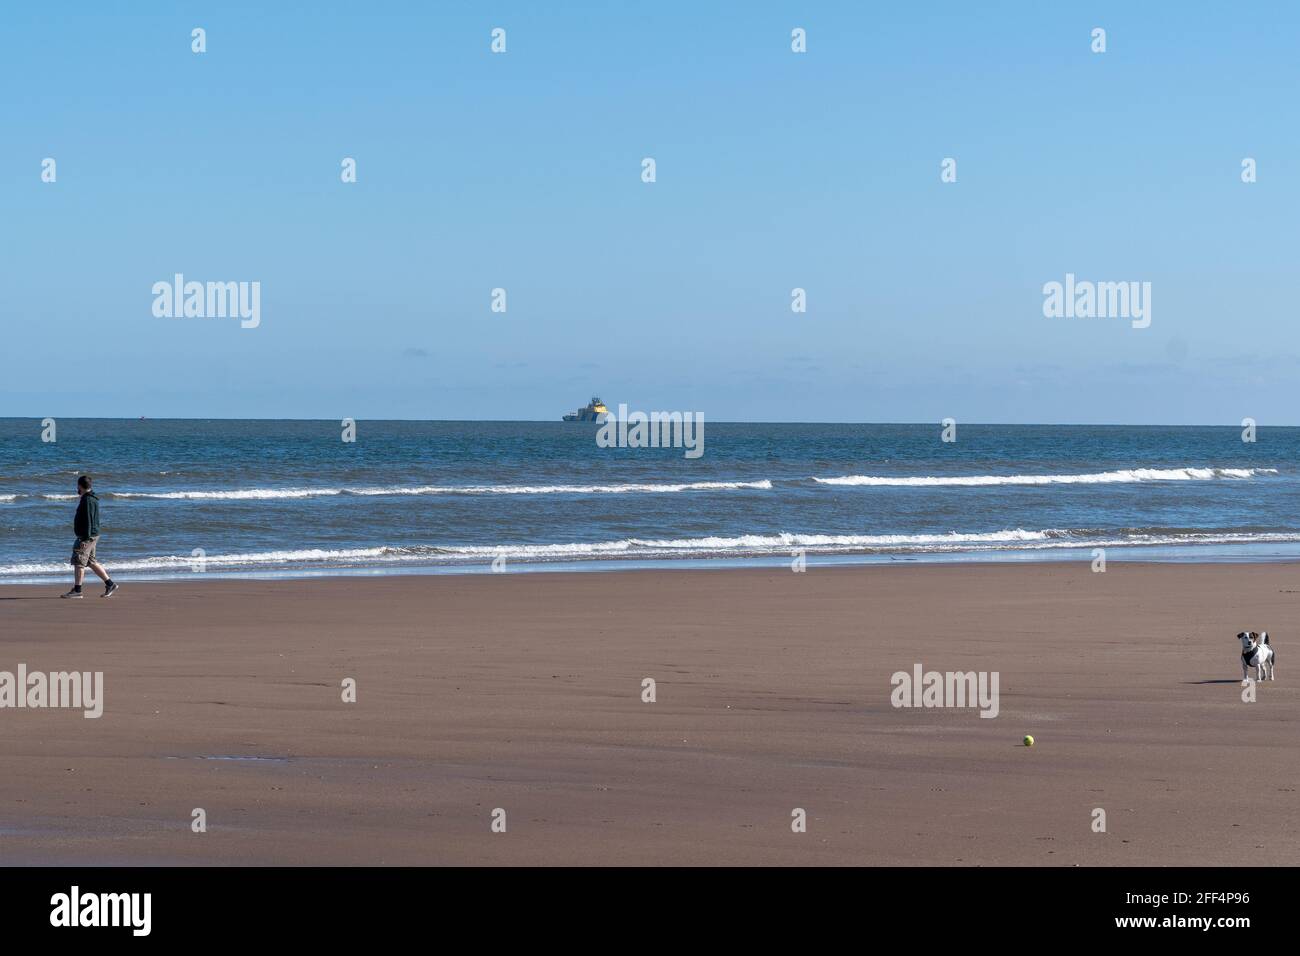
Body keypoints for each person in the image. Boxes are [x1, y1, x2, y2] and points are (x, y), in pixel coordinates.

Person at [61, 475, 119, 599]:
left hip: (87, 536)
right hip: (93, 534)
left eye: (77, 485)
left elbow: (88, 520)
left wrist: (84, 538)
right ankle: (110, 584)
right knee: (90, 561)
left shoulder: (87, 500)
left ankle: (78, 591)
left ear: (80, 486)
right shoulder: (92, 498)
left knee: (79, 562)